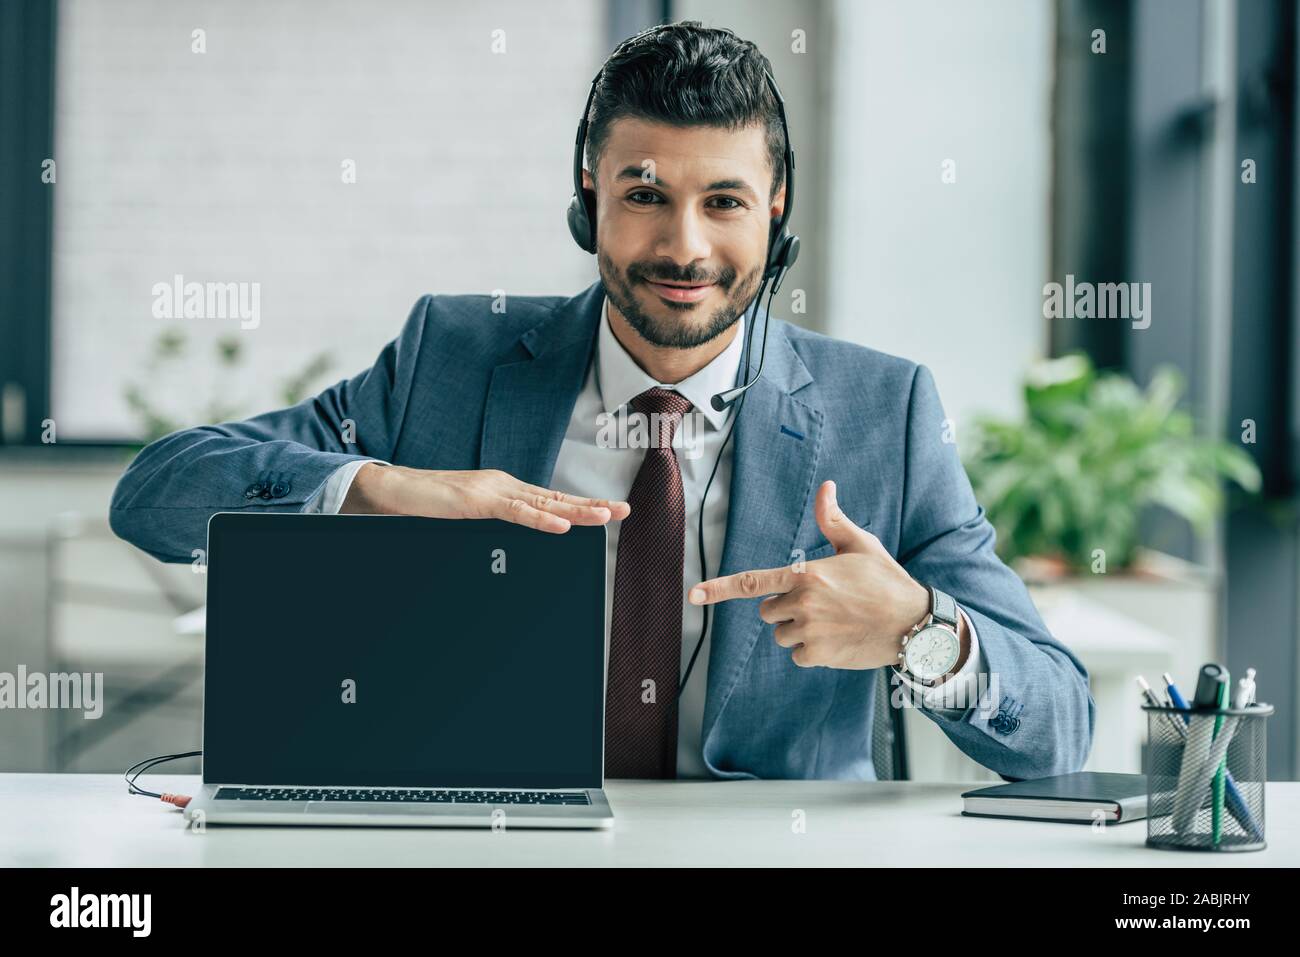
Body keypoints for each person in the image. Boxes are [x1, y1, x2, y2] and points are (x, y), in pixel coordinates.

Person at [110, 21, 1093, 782]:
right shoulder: (453, 356)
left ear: (776, 209)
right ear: (588, 199)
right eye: (644, 195)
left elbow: (1061, 729)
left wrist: (921, 630)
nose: (685, 248)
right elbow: (156, 495)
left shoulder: (886, 411)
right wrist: (380, 488)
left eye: (724, 201)